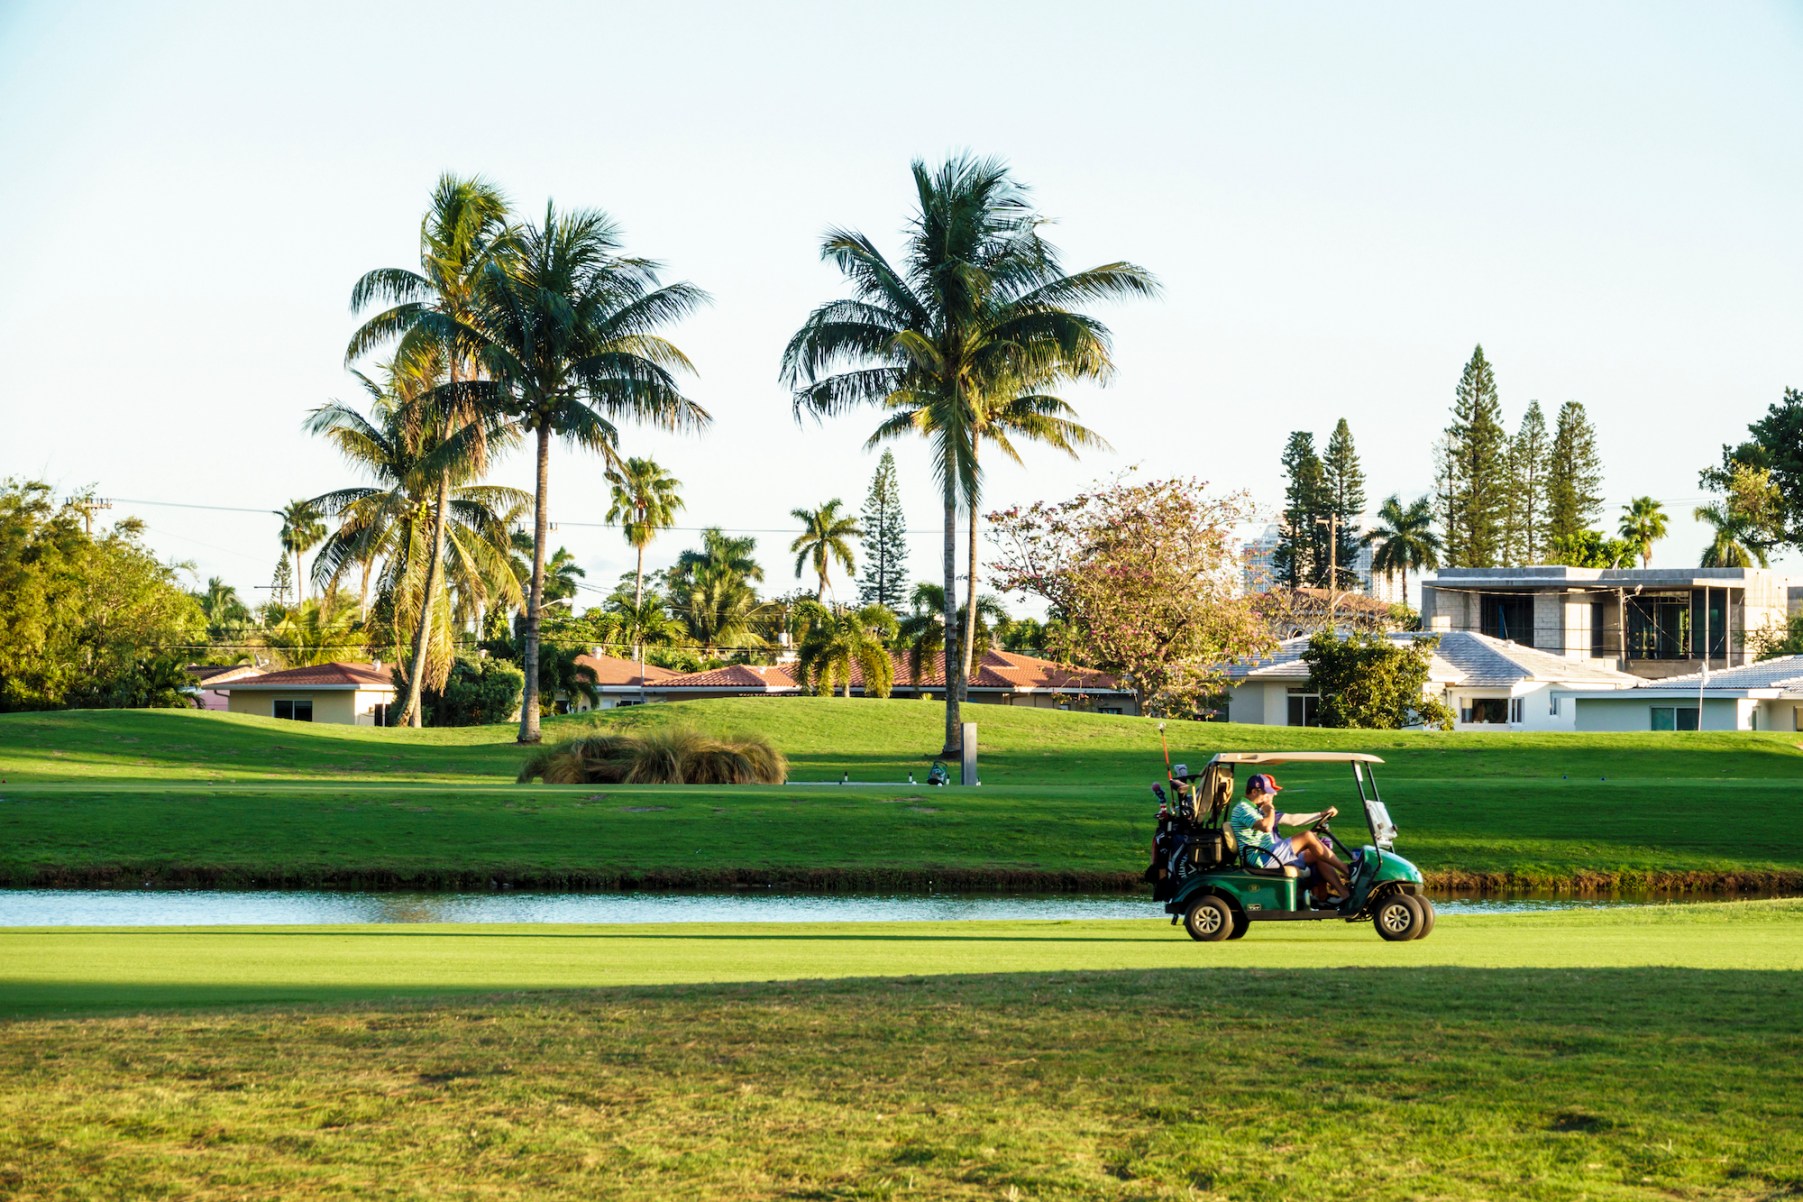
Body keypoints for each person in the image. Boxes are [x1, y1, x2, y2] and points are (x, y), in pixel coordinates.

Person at [1228, 773, 1352, 904]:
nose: (1273, 795)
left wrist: (1321, 814)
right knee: (1307, 836)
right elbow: (1266, 827)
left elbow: (1291, 819)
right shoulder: (1243, 809)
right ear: (1254, 791)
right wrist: (1270, 810)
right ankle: (1348, 870)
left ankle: (1343, 894)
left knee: (1318, 853)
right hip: (1261, 859)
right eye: (1268, 793)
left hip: (1269, 853)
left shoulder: (1257, 809)